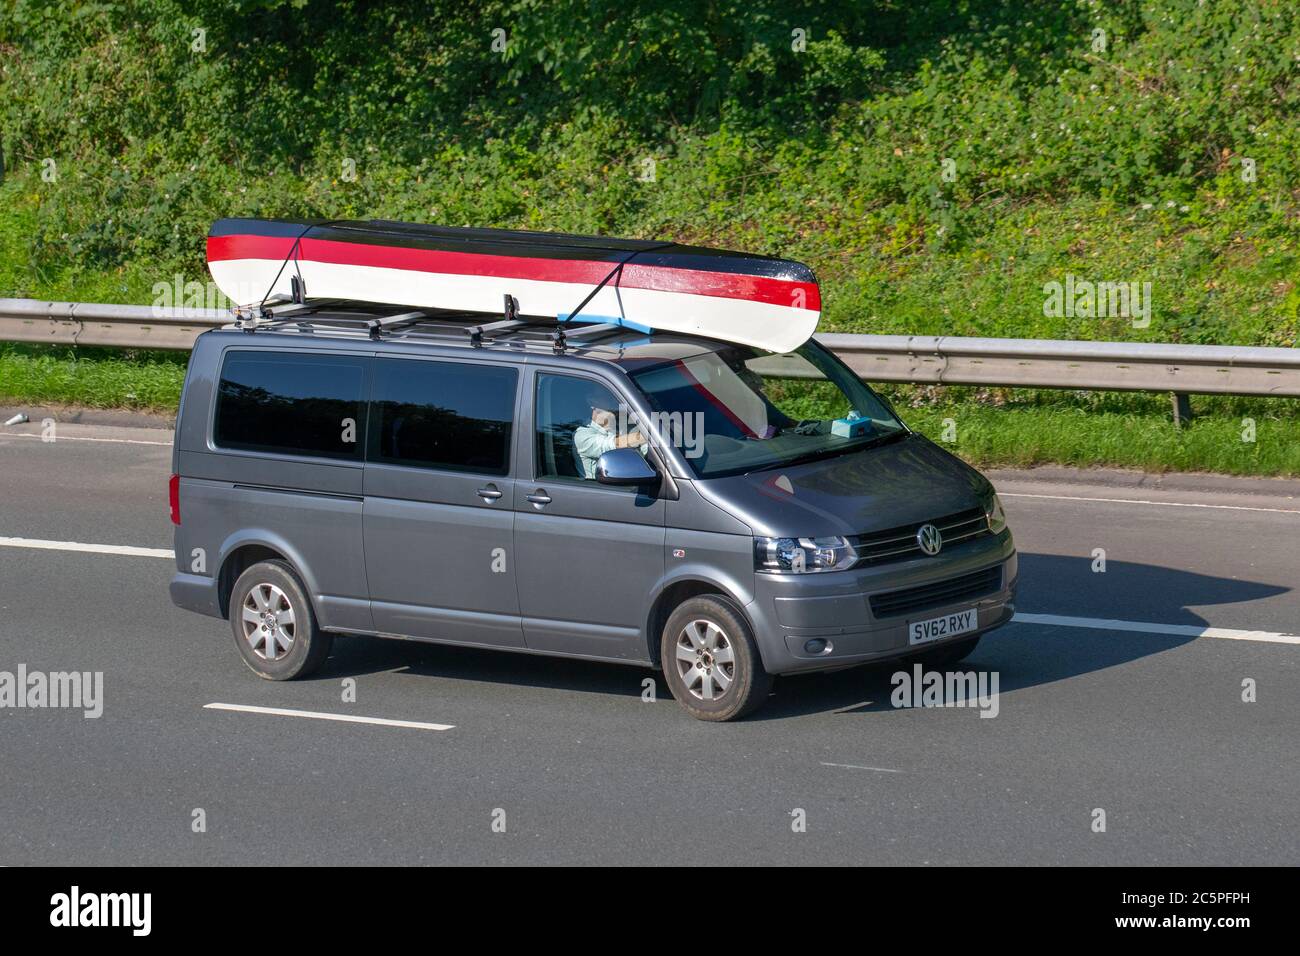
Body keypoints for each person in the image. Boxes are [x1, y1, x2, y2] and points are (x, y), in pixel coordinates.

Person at [573, 393, 645, 479]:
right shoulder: (582, 435)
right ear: (592, 400)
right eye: (608, 396)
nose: (615, 401)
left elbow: (645, 450)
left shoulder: (622, 428)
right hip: (601, 490)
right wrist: (650, 435)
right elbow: (614, 445)